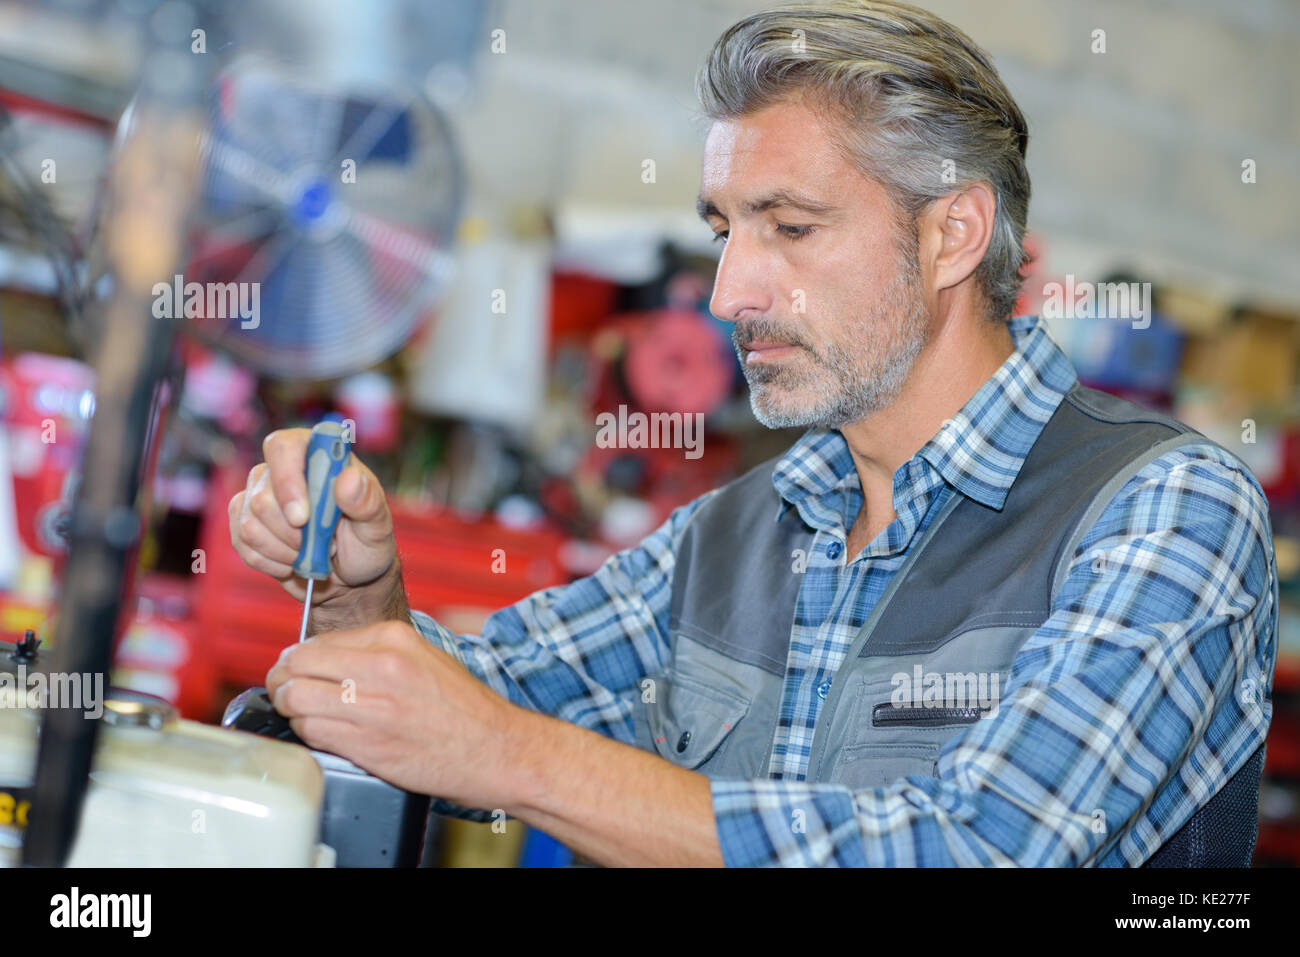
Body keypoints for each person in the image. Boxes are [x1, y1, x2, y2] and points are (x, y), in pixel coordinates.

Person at [228, 0, 1277, 866]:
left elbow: (982, 847)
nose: (731, 291)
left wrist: (510, 757)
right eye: (724, 232)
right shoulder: (742, 529)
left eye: (791, 227)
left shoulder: (1163, 508)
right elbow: (470, 700)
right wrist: (361, 591)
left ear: (951, 232)